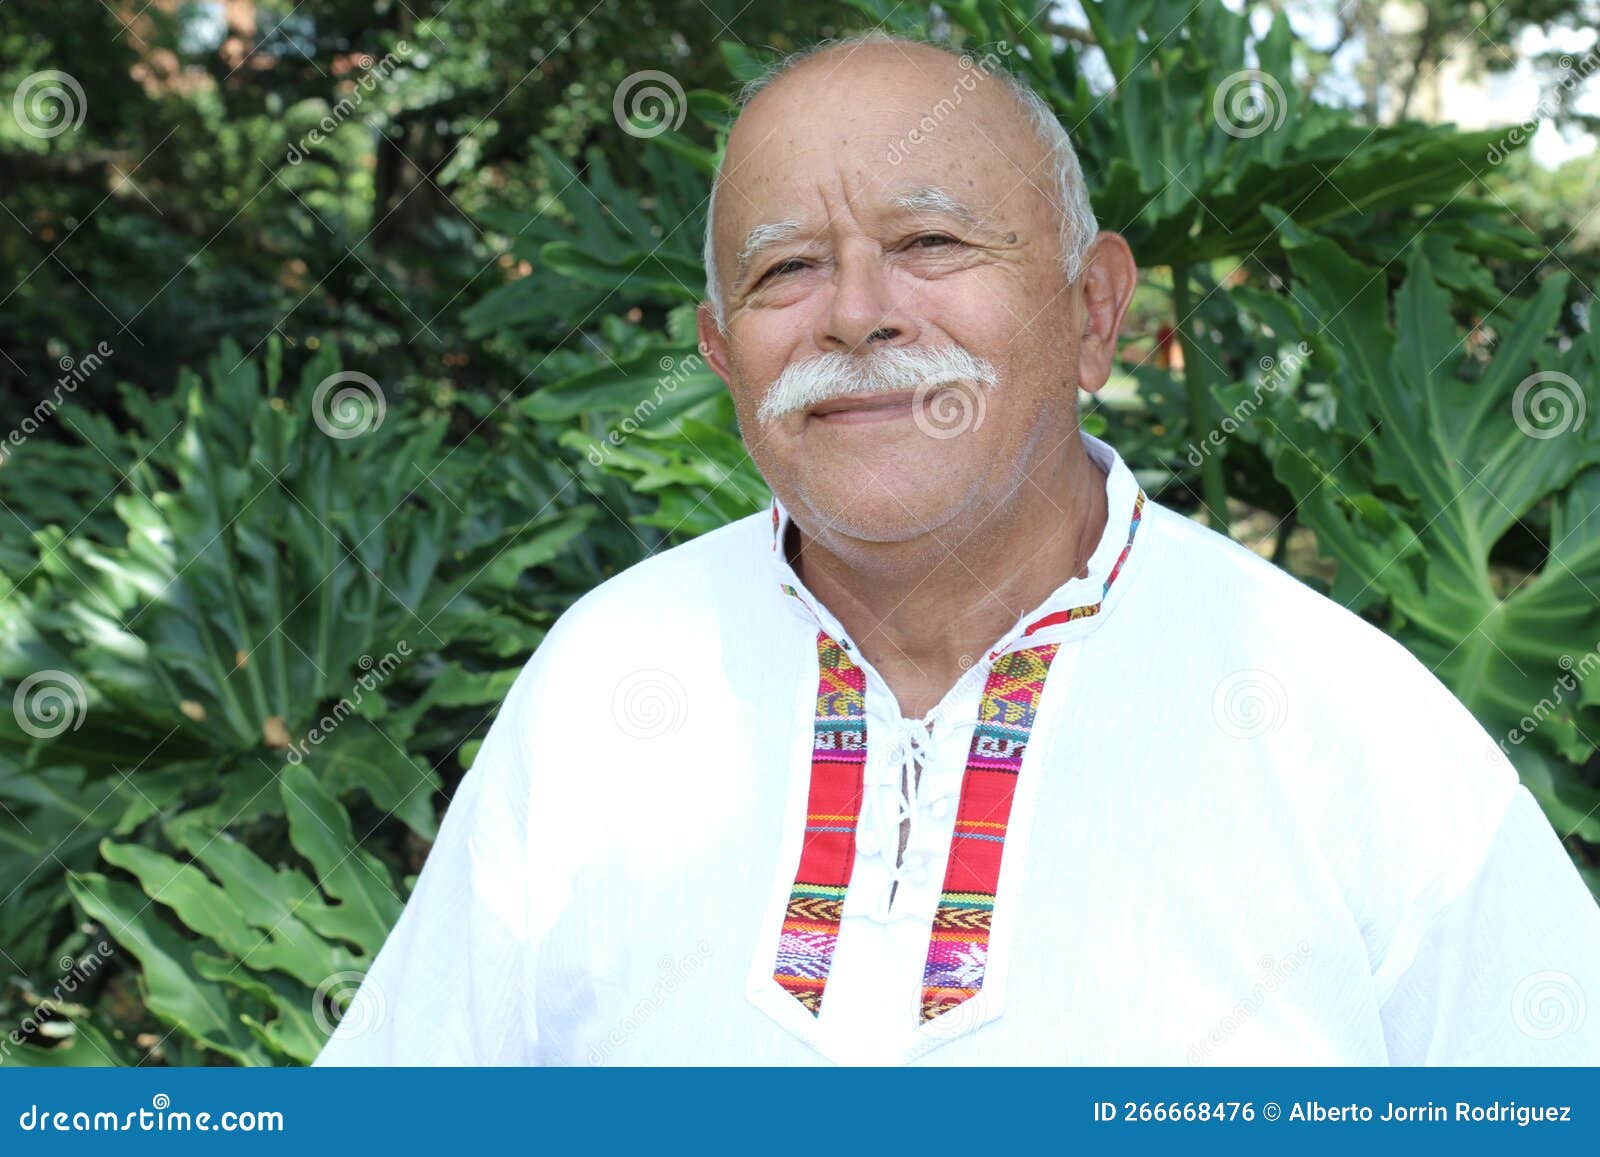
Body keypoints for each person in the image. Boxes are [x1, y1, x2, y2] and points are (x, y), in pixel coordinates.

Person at [314, 33, 1600, 1066]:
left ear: (1093, 310)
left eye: (929, 243)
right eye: (784, 269)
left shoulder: (1339, 714)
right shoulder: (609, 676)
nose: (856, 313)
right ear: (720, 353)